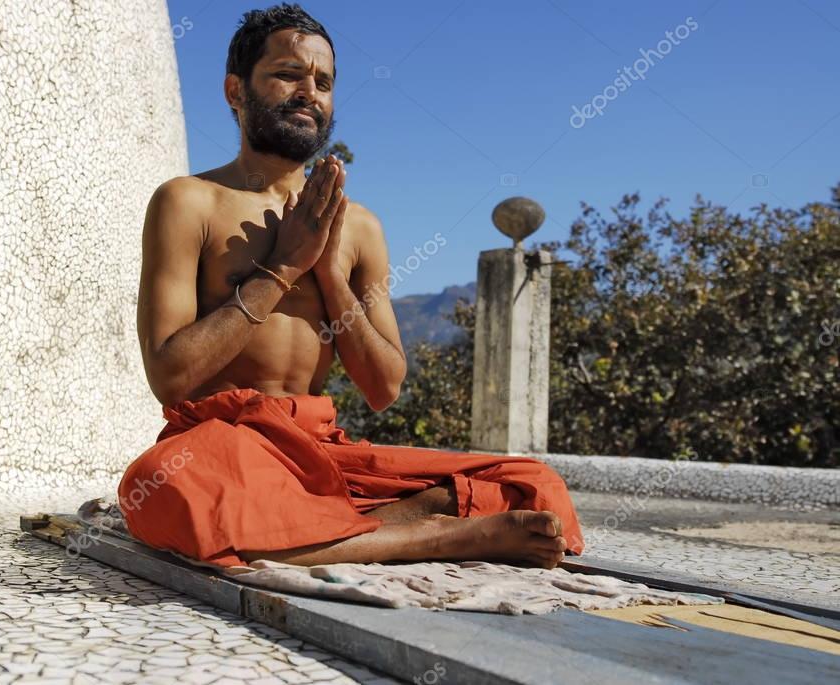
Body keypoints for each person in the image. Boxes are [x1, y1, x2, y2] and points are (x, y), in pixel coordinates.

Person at [118, 3, 585, 569]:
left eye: (323, 82)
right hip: (224, 445)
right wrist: (283, 268)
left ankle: (336, 531)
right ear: (235, 91)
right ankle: (431, 535)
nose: (308, 93)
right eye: (288, 74)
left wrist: (330, 276)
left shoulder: (357, 227)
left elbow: (384, 386)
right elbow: (170, 379)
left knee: (531, 483)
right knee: (165, 486)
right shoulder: (189, 202)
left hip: (319, 452)